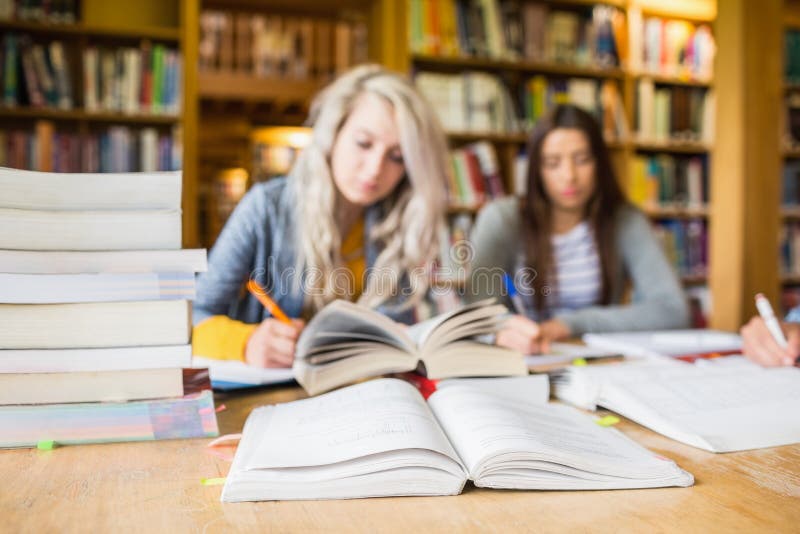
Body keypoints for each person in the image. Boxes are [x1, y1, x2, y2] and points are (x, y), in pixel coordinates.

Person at [192, 65, 450, 368]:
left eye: (397, 157)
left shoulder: (401, 221)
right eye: (363, 144)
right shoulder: (265, 207)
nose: (374, 169)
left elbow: (393, 325)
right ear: (333, 134)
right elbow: (192, 317)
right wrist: (246, 343)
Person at [466, 104, 690, 354]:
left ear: (599, 163)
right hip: (524, 359)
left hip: (598, 361)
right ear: (536, 171)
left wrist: (569, 325)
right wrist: (503, 330)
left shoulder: (624, 220)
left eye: (582, 160)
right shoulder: (502, 219)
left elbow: (672, 310)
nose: (569, 175)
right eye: (553, 163)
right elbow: (477, 311)